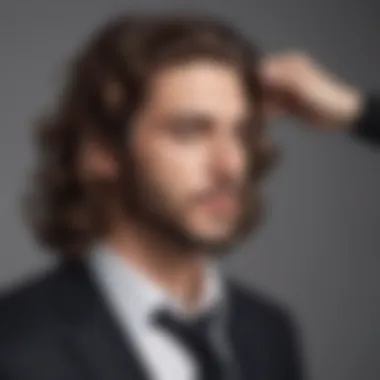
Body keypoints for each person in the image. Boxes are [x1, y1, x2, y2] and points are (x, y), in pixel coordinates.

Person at [0, 14, 376, 380]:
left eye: (242, 133)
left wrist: (359, 112)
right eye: (190, 131)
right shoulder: (15, 345)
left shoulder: (268, 332)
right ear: (102, 151)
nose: (230, 165)